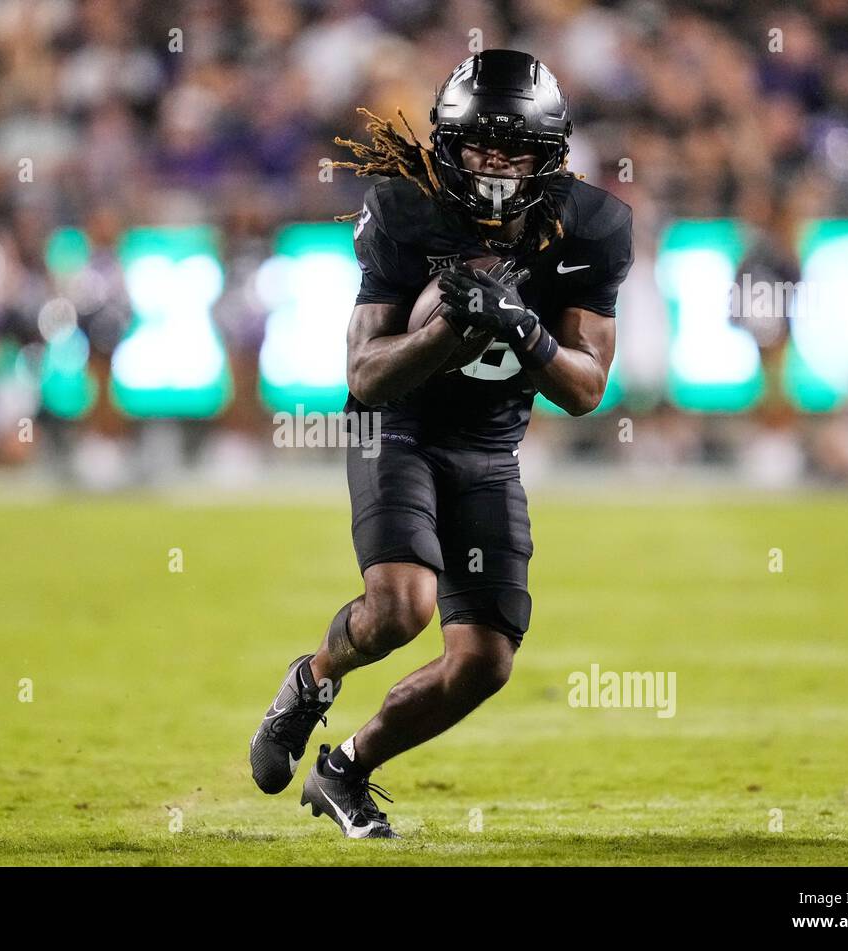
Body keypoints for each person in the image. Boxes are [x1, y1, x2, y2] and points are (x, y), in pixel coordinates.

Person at [248, 50, 633, 838]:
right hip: (400, 428)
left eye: (515, 147)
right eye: (481, 145)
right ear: (448, 147)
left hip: (490, 445)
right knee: (402, 607)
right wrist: (451, 332)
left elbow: (587, 389)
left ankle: (345, 769)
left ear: (549, 153)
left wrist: (523, 330)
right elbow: (365, 376)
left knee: (486, 662)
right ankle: (313, 680)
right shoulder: (404, 210)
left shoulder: (593, 226)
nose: (496, 165)